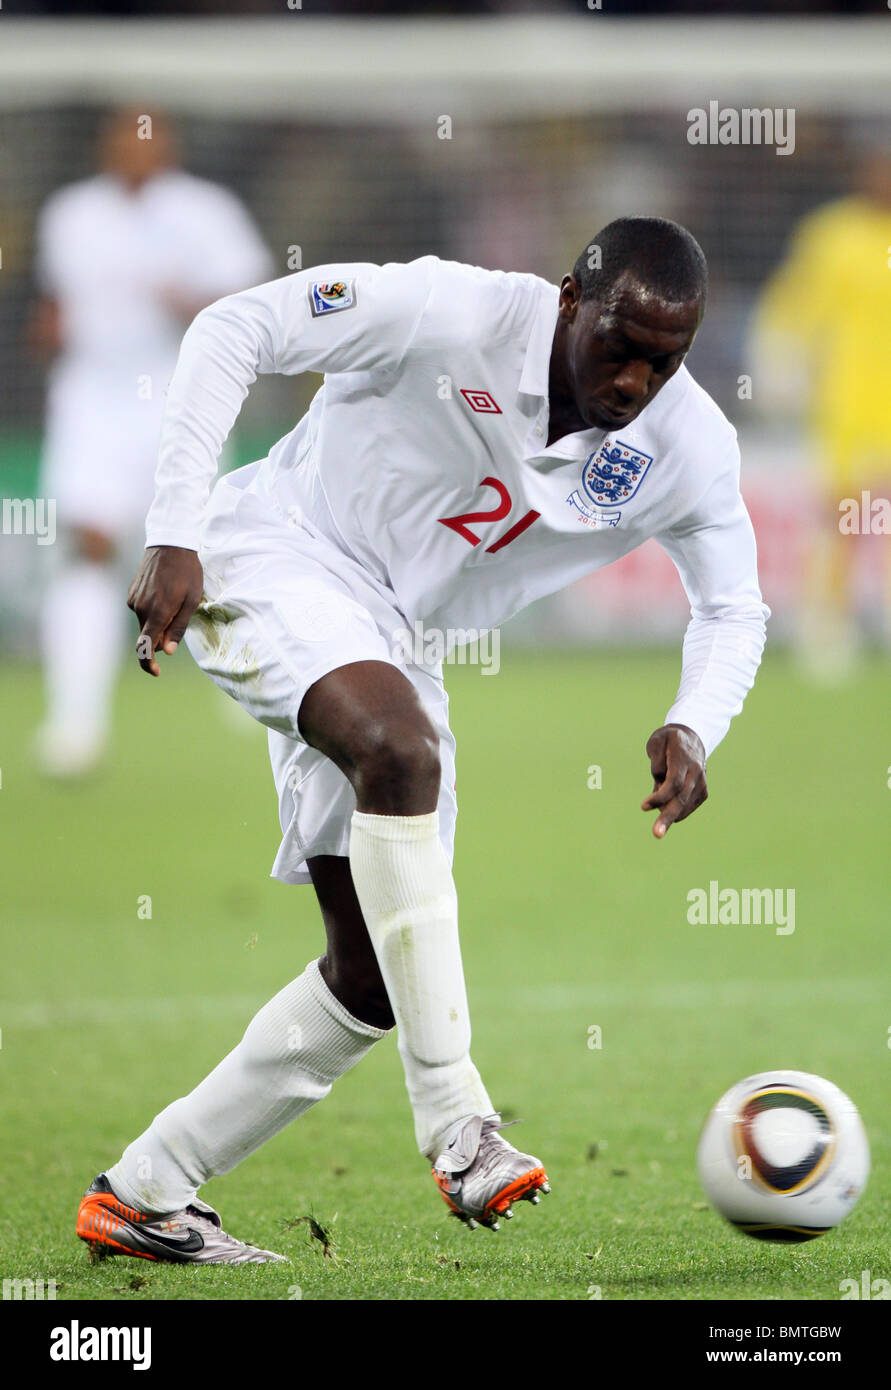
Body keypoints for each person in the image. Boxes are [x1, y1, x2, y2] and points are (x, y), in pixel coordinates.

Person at [76, 217, 769, 1264]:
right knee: (401, 753)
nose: (634, 381)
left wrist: (696, 722)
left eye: (663, 363)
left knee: (370, 979)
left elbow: (734, 607)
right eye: (619, 344)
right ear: (570, 297)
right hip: (276, 552)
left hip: (396, 641)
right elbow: (233, 328)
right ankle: (460, 1128)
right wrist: (173, 527)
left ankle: (145, 1189)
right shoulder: (449, 310)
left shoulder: (688, 447)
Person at [31, 107, 272, 775]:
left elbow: (251, 304)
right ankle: (74, 726)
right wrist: (49, 332)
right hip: (89, 399)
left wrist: (189, 302)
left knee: (200, 549)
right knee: (88, 545)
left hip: (177, 396)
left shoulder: (204, 211)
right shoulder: (71, 213)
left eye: (150, 135)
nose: (136, 148)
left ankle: (252, 695)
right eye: (123, 135)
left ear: (167, 144)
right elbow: (53, 303)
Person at [751, 149, 891, 679]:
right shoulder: (833, 235)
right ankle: (828, 626)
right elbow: (794, 303)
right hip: (850, 401)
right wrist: (779, 359)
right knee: (843, 516)